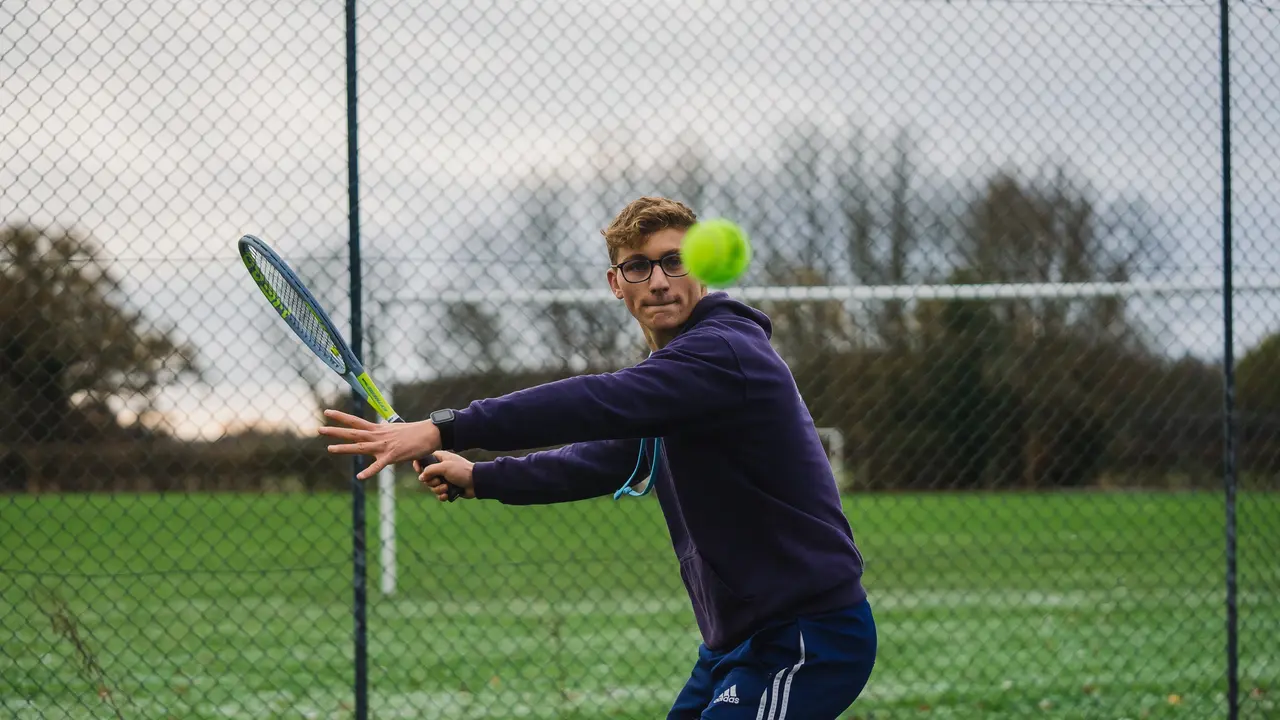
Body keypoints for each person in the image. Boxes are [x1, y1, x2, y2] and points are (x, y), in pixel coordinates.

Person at [319, 196, 876, 718]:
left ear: (701, 269)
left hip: (806, 635)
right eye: (639, 267)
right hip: (738, 641)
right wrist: (480, 477)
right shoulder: (678, 383)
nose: (658, 281)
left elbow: (595, 402)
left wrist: (447, 427)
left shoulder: (723, 352)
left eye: (674, 262)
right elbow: (602, 459)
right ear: (616, 283)